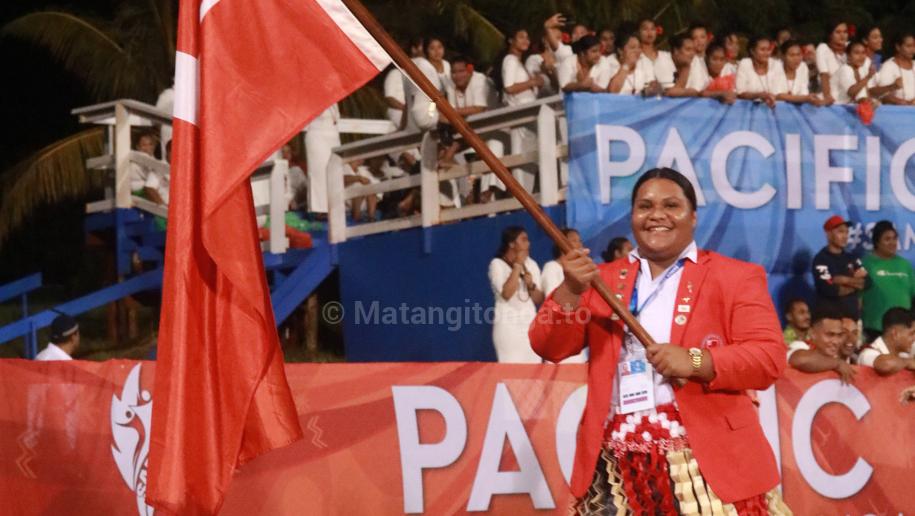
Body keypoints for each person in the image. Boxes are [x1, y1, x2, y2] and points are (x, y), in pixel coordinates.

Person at [530, 168, 788, 513]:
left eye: (671, 205)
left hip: (708, 464)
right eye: (645, 206)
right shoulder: (601, 279)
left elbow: (768, 358)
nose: (657, 215)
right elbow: (547, 344)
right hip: (616, 468)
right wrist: (570, 290)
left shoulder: (734, 276)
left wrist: (698, 361)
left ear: (693, 217)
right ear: (632, 216)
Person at [489, 226, 543, 363]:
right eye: (524, 240)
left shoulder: (532, 264)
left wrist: (531, 285)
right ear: (511, 243)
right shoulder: (497, 264)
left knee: (534, 372)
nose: (528, 243)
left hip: (530, 326)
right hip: (508, 327)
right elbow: (506, 293)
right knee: (512, 372)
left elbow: (539, 299)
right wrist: (518, 265)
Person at [498, 28, 542, 193]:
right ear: (511, 40)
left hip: (528, 114)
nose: (526, 40)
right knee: (522, 156)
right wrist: (532, 83)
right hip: (520, 114)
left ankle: (527, 193)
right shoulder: (509, 60)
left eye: (528, 37)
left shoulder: (518, 62)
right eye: (521, 37)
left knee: (529, 155)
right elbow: (509, 87)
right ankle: (522, 195)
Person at [861, 221, 915, 342]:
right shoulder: (866, 264)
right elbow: (858, 300)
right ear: (877, 242)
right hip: (875, 329)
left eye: (895, 238)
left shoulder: (905, 265)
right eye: (887, 239)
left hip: (903, 330)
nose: (893, 243)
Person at [812, 215, 867, 320]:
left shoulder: (852, 258)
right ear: (828, 234)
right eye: (840, 232)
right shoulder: (821, 259)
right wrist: (855, 283)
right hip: (830, 321)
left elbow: (867, 282)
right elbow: (829, 289)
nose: (845, 236)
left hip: (852, 320)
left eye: (847, 232)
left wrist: (843, 279)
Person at [787, 306, 856, 385]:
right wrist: (837, 363)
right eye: (830, 335)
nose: (836, 341)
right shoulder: (799, 345)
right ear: (812, 333)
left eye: (839, 335)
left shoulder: (842, 355)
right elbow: (801, 360)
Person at [304, 103, 340, 213]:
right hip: (317, 133)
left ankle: (334, 207)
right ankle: (319, 209)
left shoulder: (332, 95)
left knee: (335, 172)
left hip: (333, 135)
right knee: (319, 172)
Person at [856, 307, 915, 375]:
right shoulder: (867, 354)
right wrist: (908, 362)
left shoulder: (903, 353)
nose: (914, 338)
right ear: (895, 334)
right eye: (911, 333)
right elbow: (886, 365)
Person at [736, 35, 782, 108]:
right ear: (752, 51)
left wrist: (770, 98)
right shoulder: (745, 64)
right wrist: (759, 95)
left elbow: (778, 92)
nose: (766, 53)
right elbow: (740, 93)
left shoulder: (776, 65)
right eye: (762, 49)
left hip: (772, 106)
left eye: (768, 49)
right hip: (747, 107)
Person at [775, 40, 824, 105]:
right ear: (783, 56)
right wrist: (805, 98)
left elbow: (803, 92)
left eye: (798, 54)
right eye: (792, 55)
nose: (796, 58)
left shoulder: (802, 67)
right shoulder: (775, 68)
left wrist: (808, 98)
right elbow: (778, 95)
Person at [609, 30, 657, 95]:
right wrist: (627, 65)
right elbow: (613, 91)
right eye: (632, 47)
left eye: (639, 47)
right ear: (620, 50)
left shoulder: (644, 62)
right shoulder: (609, 63)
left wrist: (649, 89)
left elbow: (653, 86)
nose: (637, 51)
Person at [831, 40, 879, 105]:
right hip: (833, 108)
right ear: (849, 56)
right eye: (857, 53)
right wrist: (868, 77)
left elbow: (865, 94)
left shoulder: (861, 70)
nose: (861, 56)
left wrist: (870, 102)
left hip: (846, 108)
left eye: (863, 53)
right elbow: (851, 92)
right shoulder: (845, 69)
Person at [129, 131, 168, 206]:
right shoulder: (135, 161)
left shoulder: (155, 161)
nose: (148, 148)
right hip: (140, 193)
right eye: (144, 145)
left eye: (150, 144)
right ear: (137, 146)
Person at [816, 20, 850, 105]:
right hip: (830, 98)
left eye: (845, 32)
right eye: (838, 32)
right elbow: (824, 75)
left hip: (850, 96)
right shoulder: (823, 48)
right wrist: (827, 97)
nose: (842, 35)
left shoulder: (850, 49)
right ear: (830, 35)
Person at [876, 32, 915, 105]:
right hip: (897, 112)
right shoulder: (888, 66)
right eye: (909, 46)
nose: (913, 50)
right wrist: (907, 103)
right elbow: (884, 96)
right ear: (898, 47)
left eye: (914, 46)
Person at [637, 19, 675, 90]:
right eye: (645, 29)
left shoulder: (666, 56)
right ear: (638, 32)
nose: (649, 32)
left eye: (652, 29)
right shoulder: (635, 57)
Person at [665, 33, 702, 97]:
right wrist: (686, 68)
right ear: (676, 50)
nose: (692, 54)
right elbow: (668, 93)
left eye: (693, 50)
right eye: (688, 49)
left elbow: (695, 91)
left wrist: (686, 67)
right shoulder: (664, 61)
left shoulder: (695, 61)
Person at [687, 22, 712, 90]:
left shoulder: (713, 59)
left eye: (702, 37)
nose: (699, 41)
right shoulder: (689, 61)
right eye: (695, 38)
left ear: (707, 39)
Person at [383, 64, 407, 129]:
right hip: (399, 114)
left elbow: (432, 100)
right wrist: (407, 110)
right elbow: (389, 99)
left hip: (420, 114)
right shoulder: (395, 73)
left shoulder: (423, 76)